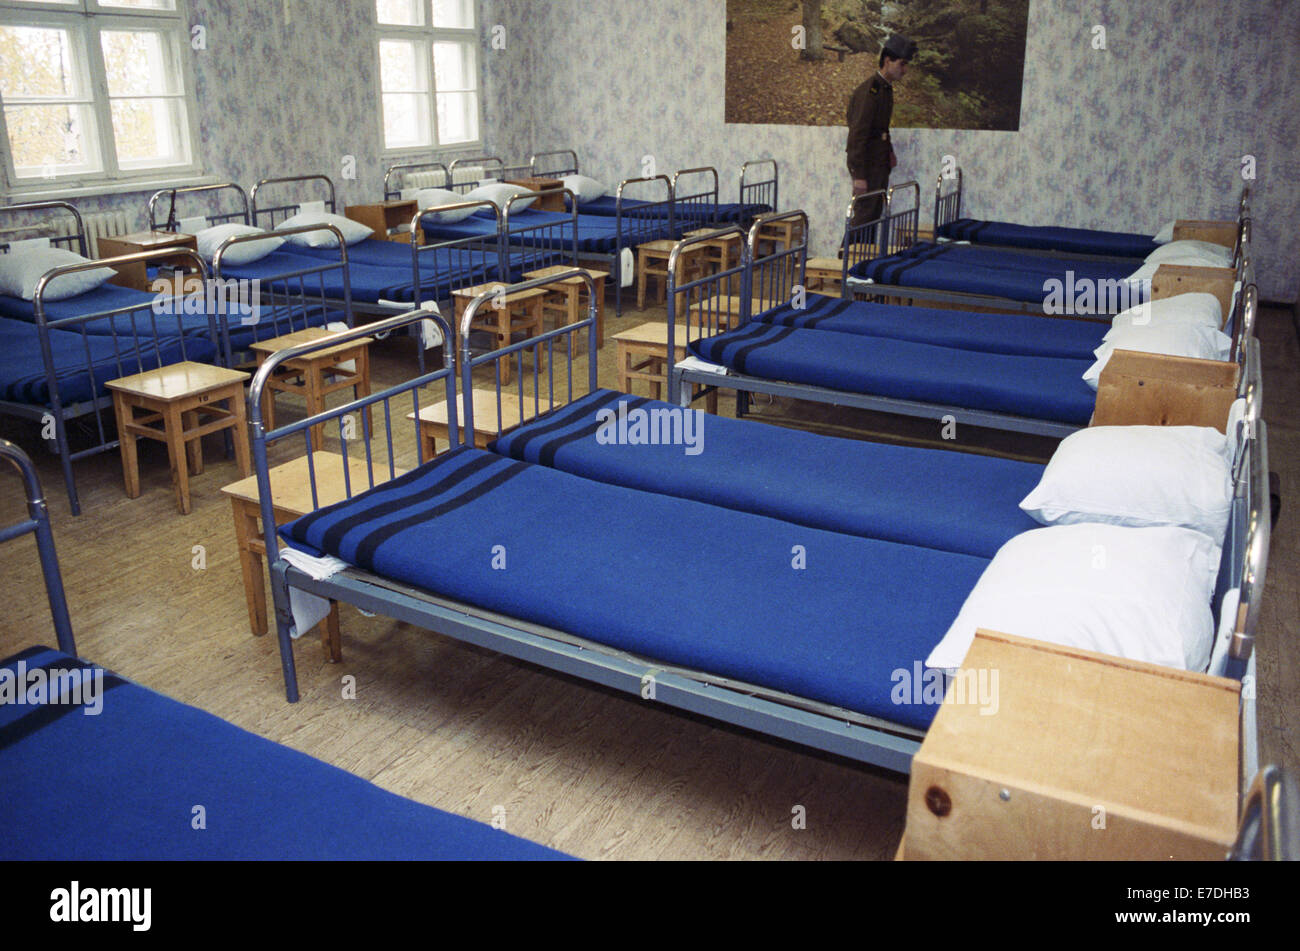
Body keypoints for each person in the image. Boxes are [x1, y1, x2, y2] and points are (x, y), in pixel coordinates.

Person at [846, 34, 917, 230]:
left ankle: (865, 259)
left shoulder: (885, 88)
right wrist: (858, 175)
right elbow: (857, 135)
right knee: (864, 216)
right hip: (868, 163)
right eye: (902, 64)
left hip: (878, 161)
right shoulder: (871, 91)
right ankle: (845, 258)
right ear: (888, 60)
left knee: (874, 215)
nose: (905, 70)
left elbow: (881, 128)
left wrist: (890, 151)